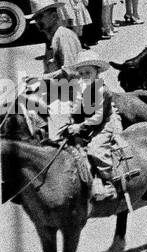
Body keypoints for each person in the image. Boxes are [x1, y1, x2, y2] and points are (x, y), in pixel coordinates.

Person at [53, 53, 125, 203]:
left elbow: (98, 118)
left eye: (88, 72)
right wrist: (68, 118)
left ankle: (111, 183)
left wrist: (79, 126)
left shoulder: (102, 91)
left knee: (95, 150)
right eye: (81, 73)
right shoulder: (83, 86)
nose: (84, 75)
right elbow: (77, 107)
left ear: (97, 72)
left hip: (105, 123)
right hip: (88, 122)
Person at [30, 0, 82, 76]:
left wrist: (43, 78)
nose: (37, 21)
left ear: (54, 16)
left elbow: (71, 72)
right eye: (35, 18)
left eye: (40, 17)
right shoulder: (53, 37)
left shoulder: (63, 36)